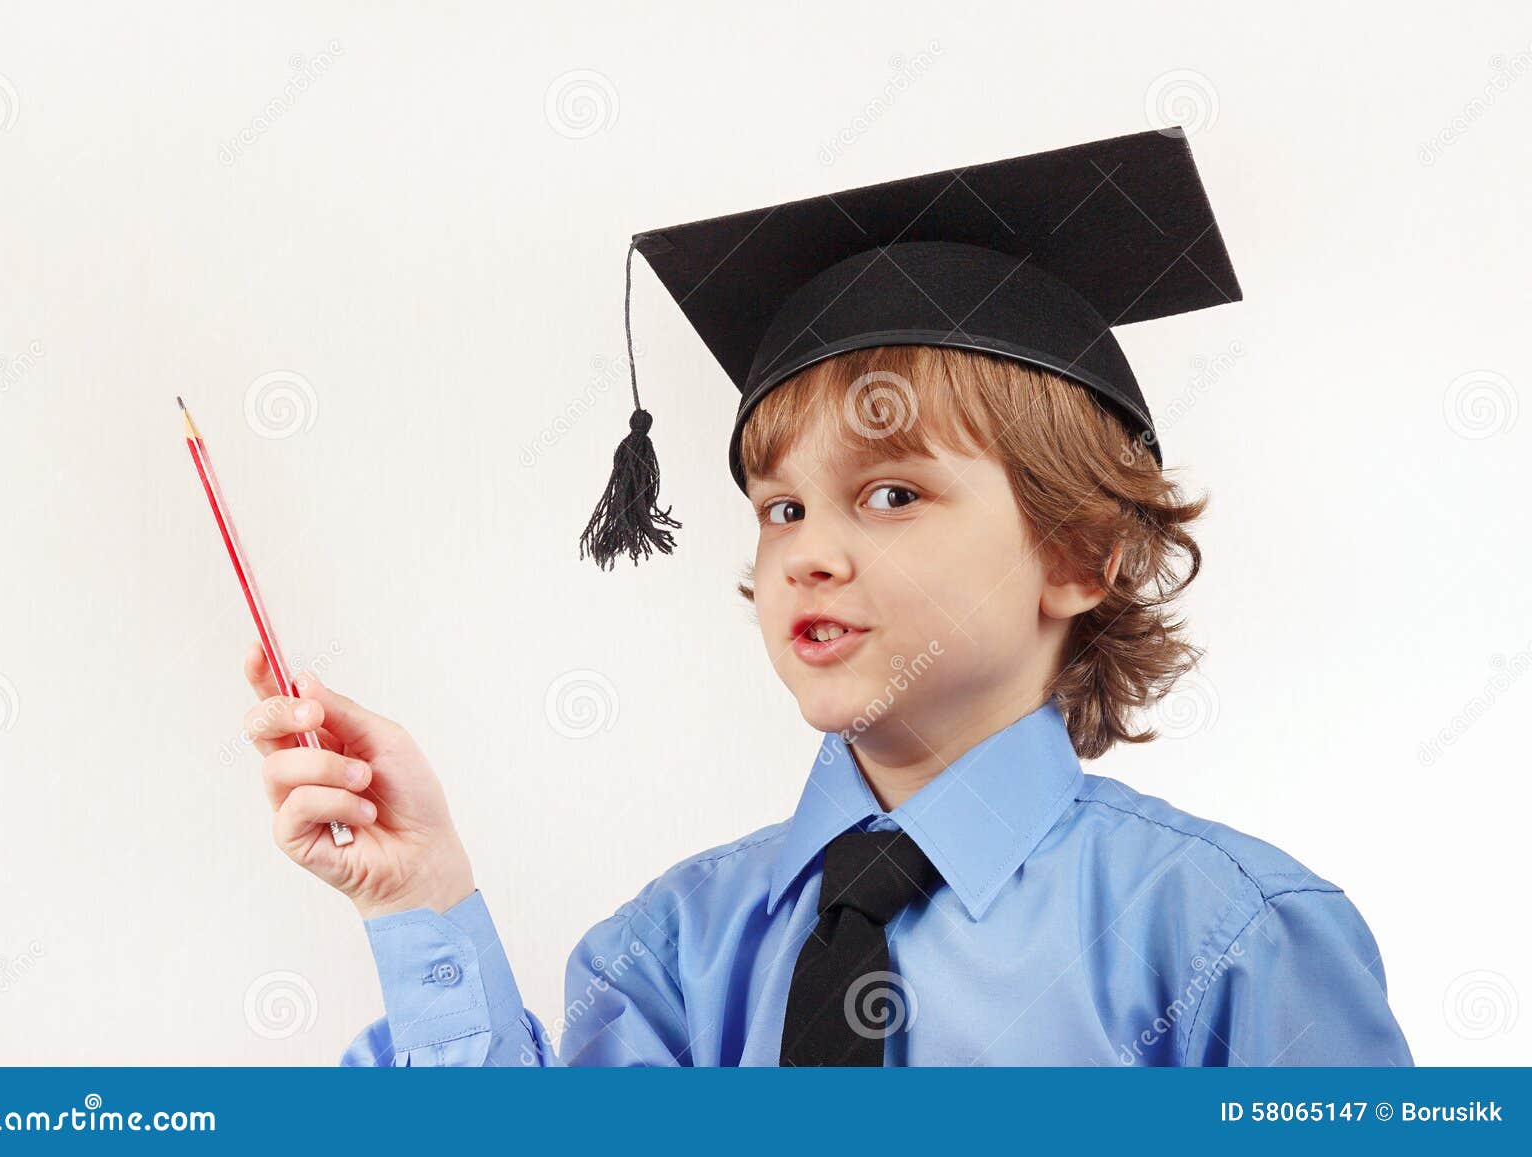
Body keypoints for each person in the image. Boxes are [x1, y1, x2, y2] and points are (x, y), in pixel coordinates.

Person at [239, 128, 1413, 1066]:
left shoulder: (1224, 937)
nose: (805, 553)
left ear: (1076, 553)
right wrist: (422, 897)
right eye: (781, 507)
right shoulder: (672, 952)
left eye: (892, 494)